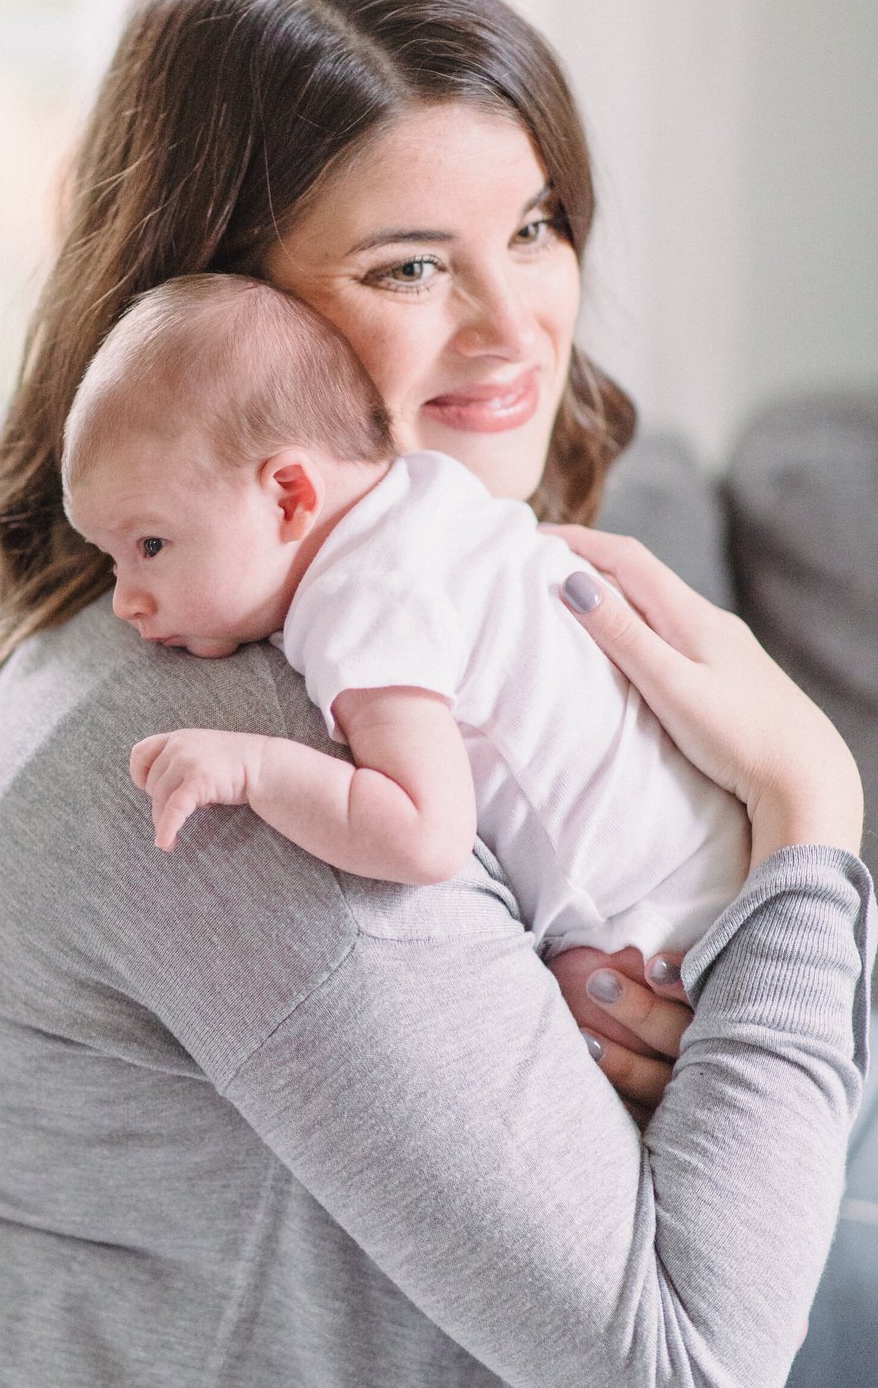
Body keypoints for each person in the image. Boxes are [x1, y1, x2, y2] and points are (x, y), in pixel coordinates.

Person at [0, 0, 874, 1388]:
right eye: (405, 264)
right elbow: (697, 1375)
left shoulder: (375, 601)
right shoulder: (229, 739)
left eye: (532, 228)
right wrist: (813, 815)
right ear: (223, 302)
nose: (514, 324)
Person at [62, 271, 749, 962]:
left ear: (290, 495)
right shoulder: (428, 494)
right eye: (114, 560)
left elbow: (423, 836)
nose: (124, 601)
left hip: (674, 923)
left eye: (150, 546)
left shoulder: (361, 601)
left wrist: (254, 769)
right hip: (730, 862)